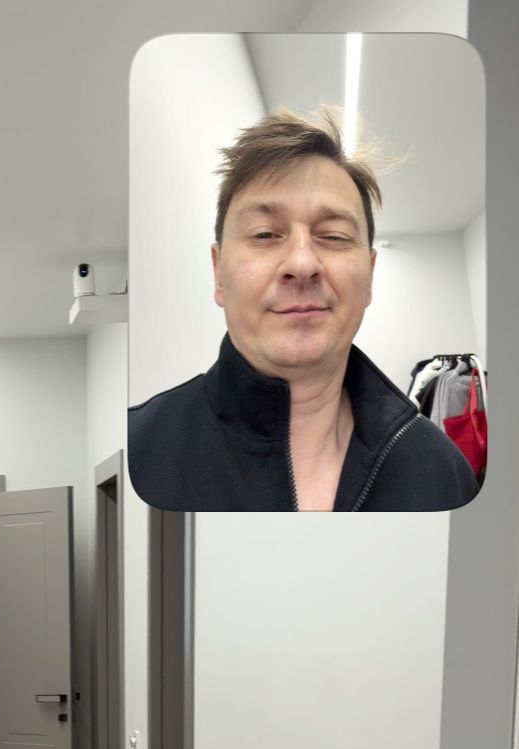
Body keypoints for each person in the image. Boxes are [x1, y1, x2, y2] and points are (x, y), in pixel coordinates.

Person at [128, 107, 479, 513]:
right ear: (218, 273)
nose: (301, 263)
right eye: (264, 234)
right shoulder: (138, 450)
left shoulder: (443, 474)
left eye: (333, 235)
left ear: (369, 275)